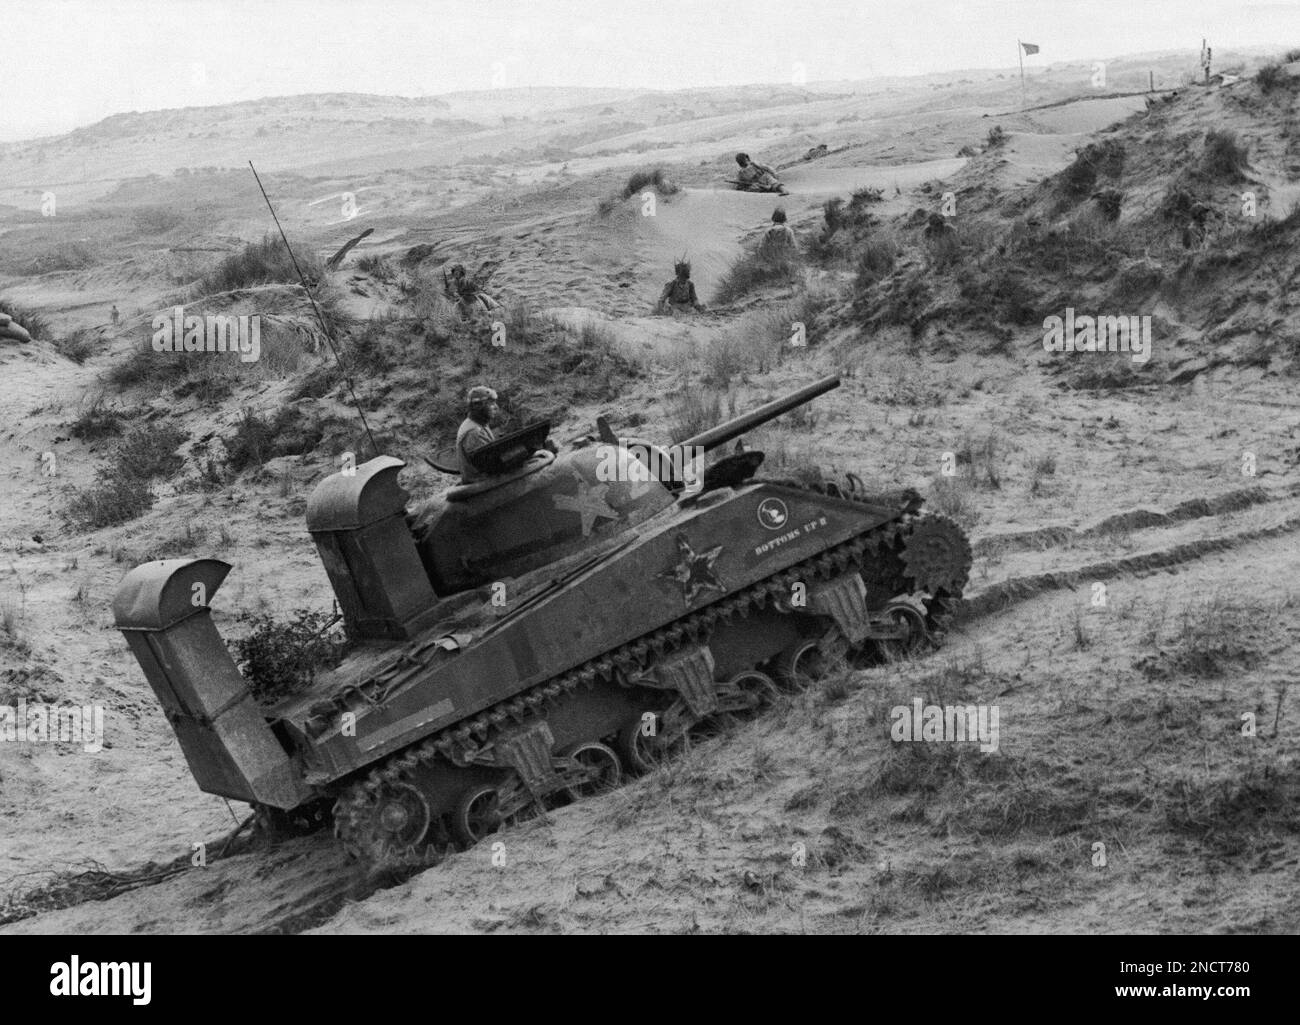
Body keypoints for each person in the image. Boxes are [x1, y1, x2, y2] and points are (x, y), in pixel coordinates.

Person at [457, 385, 499, 483]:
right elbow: (490, 466)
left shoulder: (478, 423)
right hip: (481, 481)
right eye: (491, 403)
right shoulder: (474, 432)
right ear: (478, 406)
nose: (496, 407)